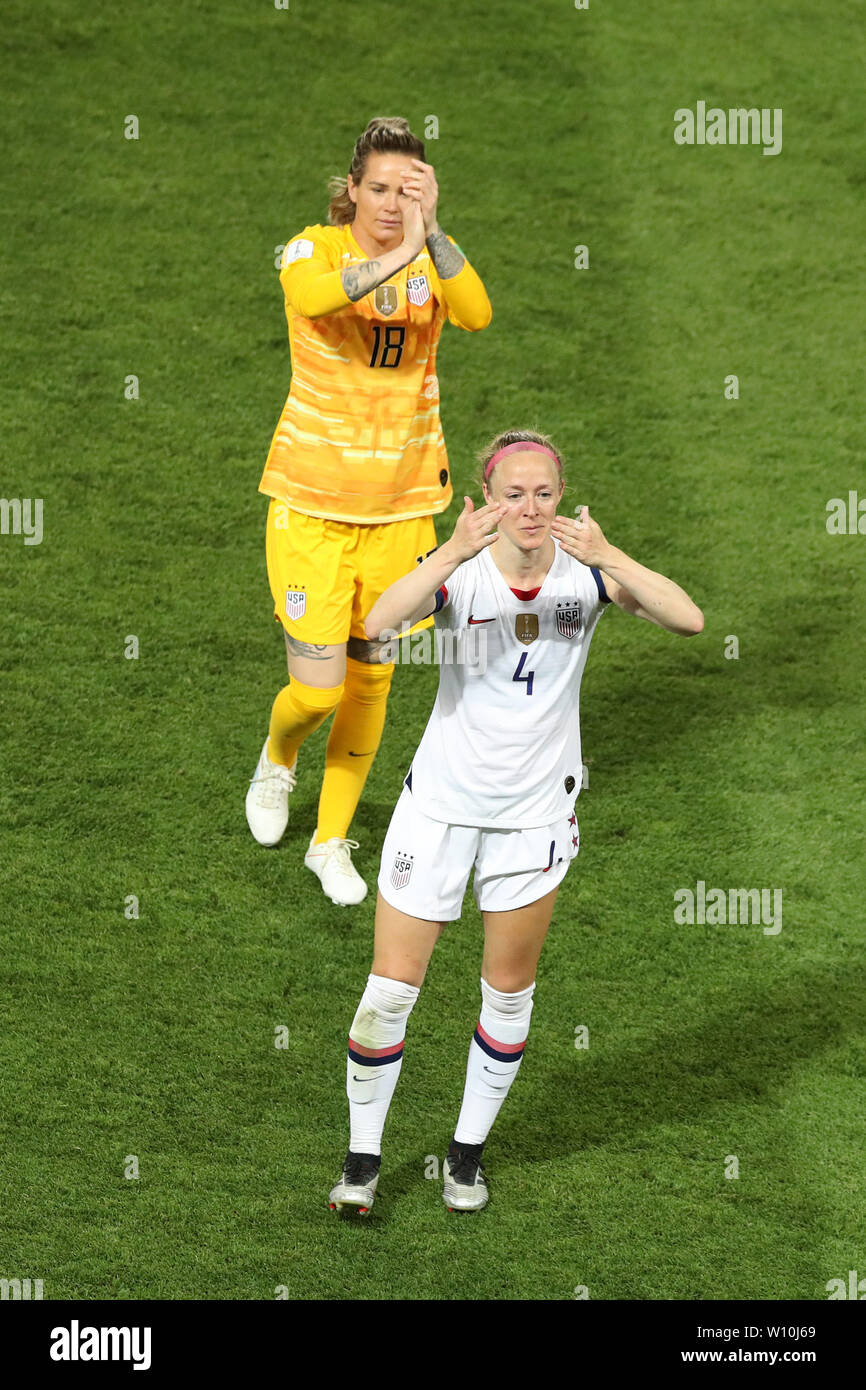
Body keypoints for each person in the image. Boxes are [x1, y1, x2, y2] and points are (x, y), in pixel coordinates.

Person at [328, 428, 704, 1212]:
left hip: (533, 820)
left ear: (560, 497)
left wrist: (611, 557)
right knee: (389, 993)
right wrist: (448, 552)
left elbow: (689, 620)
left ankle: (465, 1157)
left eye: (542, 493)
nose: (529, 508)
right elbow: (379, 623)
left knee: (506, 992)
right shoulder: (462, 577)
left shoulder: (586, 578)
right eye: (512, 494)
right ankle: (362, 1163)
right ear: (488, 499)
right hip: (436, 811)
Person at [246, 117, 492, 905]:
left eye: (408, 191)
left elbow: (478, 312)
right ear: (351, 188)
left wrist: (435, 233)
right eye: (380, 188)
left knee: (372, 680)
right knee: (316, 691)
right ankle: (279, 758)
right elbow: (315, 298)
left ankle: (330, 839)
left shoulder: (430, 257)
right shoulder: (311, 249)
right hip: (311, 507)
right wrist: (397, 252)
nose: (392, 203)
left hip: (403, 511)